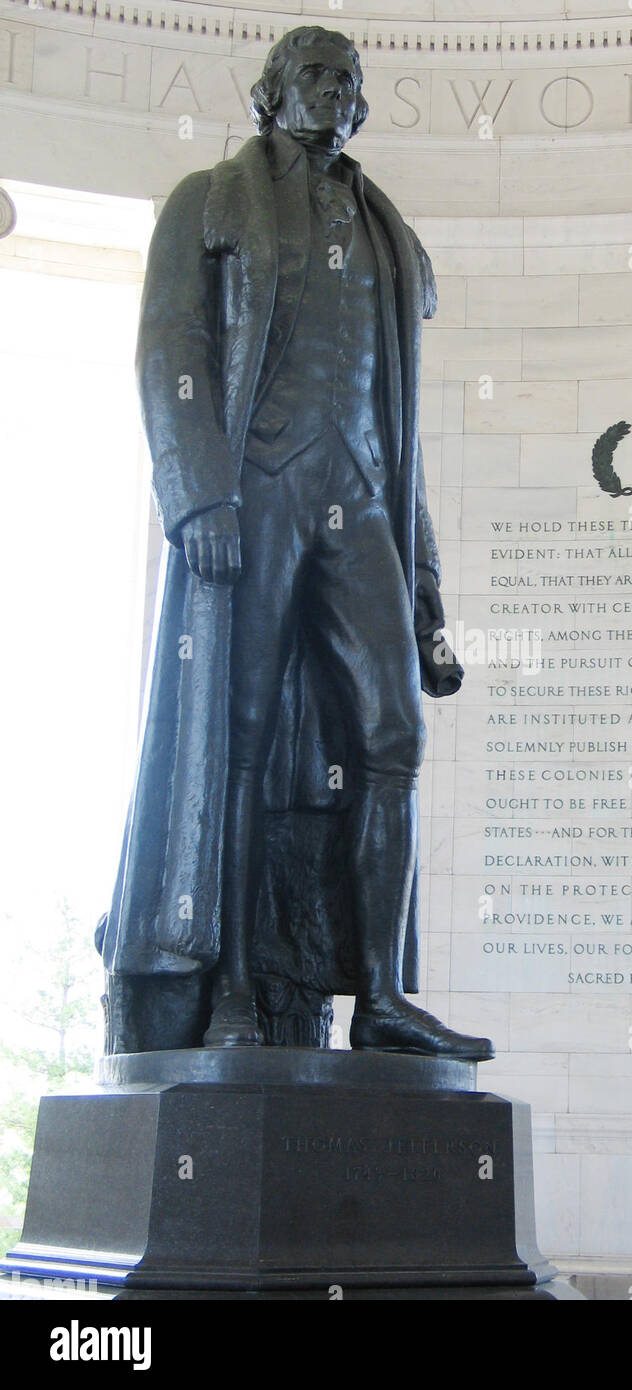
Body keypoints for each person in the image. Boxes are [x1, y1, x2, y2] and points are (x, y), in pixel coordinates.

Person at [98, 26, 493, 1062]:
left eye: (346, 82)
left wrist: (429, 599)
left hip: (362, 496)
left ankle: (383, 996)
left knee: (394, 734)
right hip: (256, 486)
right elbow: (170, 352)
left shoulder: (388, 234)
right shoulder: (209, 201)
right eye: (311, 76)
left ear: (360, 107)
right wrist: (198, 499)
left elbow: (398, 427)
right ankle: (231, 981)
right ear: (269, 94)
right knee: (238, 729)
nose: (330, 92)